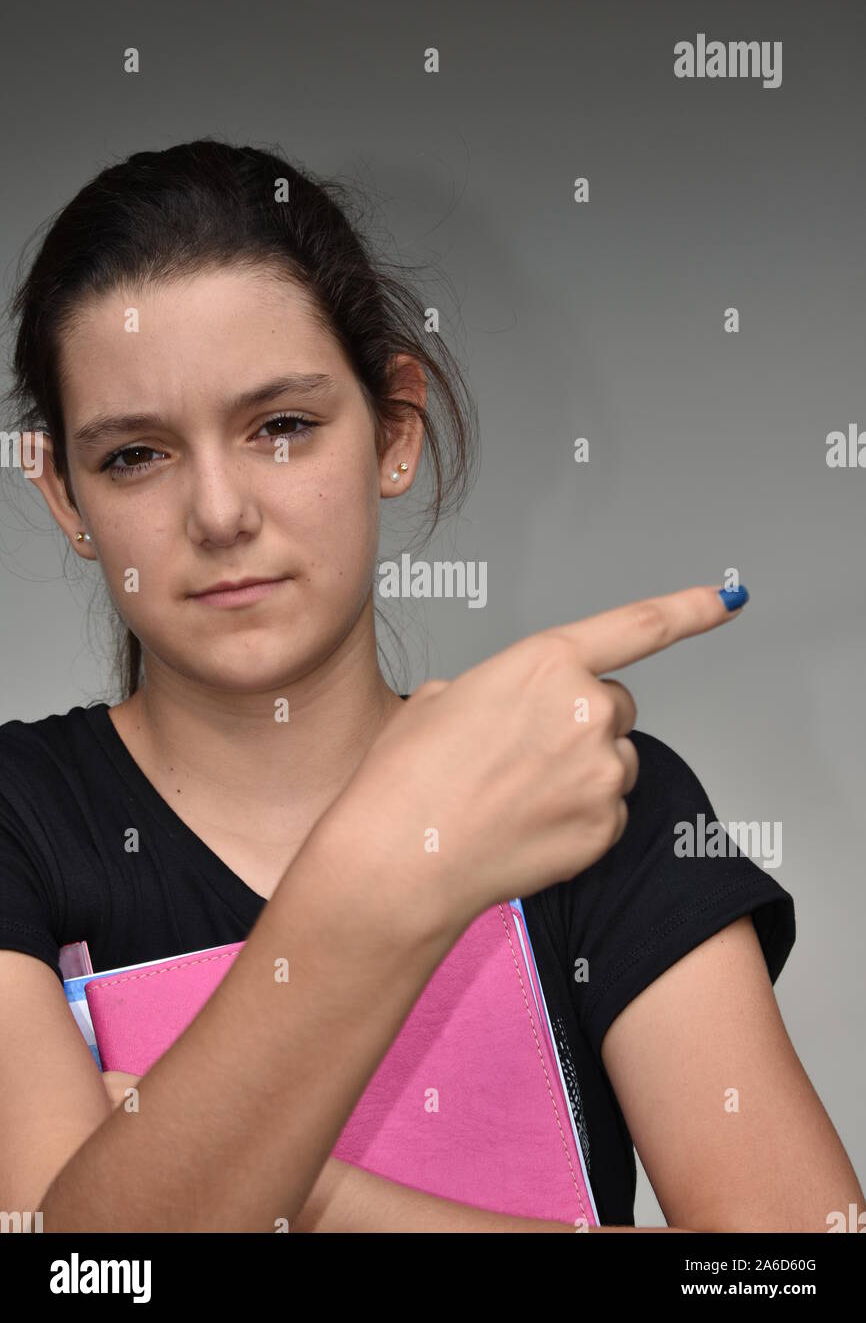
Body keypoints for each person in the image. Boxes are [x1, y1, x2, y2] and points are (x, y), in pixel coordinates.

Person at [0, 139, 860, 1233]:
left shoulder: (592, 802)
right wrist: (384, 877)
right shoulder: (19, 823)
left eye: (281, 427)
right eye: (135, 455)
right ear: (66, 497)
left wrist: (297, 1188)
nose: (218, 514)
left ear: (393, 429)